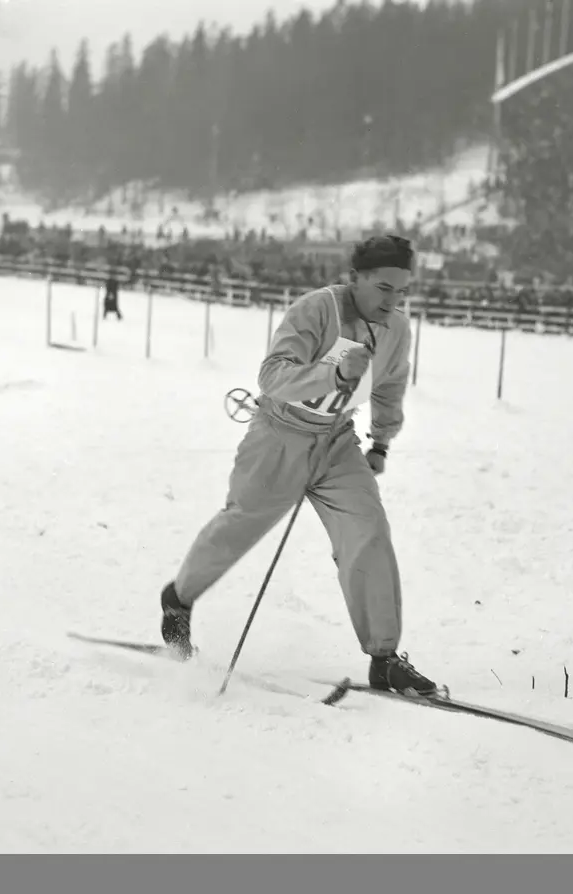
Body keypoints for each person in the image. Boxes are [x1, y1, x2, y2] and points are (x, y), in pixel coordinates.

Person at [159, 234, 440, 696]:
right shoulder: (317, 310)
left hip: (336, 443)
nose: (393, 300)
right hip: (279, 435)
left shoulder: (397, 329)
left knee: (366, 531)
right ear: (356, 279)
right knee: (239, 525)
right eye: (383, 288)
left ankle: (384, 657)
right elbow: (272, 375)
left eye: (402, 291)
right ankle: (179, 598)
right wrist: (334, 373)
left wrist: (381, 442)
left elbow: (389, 384)